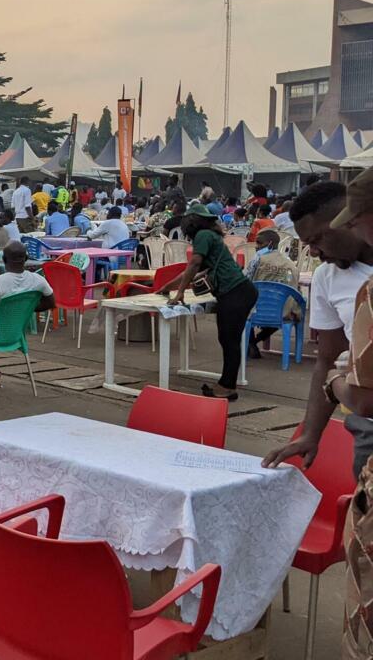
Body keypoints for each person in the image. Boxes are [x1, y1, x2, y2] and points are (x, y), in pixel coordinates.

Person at [262, 170, 373, 656]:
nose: (314, 252)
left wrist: (340, 385)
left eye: (319, 239)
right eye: (306, 244)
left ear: (352, 220)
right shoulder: (330, 279)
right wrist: (311, 433)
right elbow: (328, 360)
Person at [156, 204, 255, 400]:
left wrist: (180, 292)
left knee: (229, 341)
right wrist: (169, 287)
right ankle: (227, 384)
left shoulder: (203, 235)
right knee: (230, 341)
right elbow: (190, 271)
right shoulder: (211, 235)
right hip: (241, 291)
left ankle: (227, 387)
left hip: (234, 292)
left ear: (192, 222)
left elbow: (194, 264)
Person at [243, 229, 300, 359]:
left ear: (269, 243)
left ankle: (251, 342)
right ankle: (256, 340)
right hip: (282, 312)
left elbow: (246, 280)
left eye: (259, 243)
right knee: (289, 310)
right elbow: (294, 287)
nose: (256, 247)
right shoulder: (290, 264)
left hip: (257, 310)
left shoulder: (257, 260)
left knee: (244, 304)